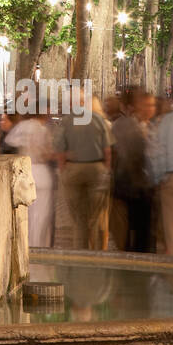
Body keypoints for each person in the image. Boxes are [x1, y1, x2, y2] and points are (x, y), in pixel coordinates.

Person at [52, 95, 113, 250]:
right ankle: (98, 254)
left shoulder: (65, 122)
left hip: (73, 171)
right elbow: (108, 150)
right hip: (97, 169)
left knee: (79, 219)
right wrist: (106, 168)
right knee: (96, 217)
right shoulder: (98, 120)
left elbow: (60, 150)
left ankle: (80, 253)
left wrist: (63, 170)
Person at [110, 88, 155, 253]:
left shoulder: (126, 125)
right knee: (137, 232)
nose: (149, 108)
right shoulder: (130, 126)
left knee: (133, 231)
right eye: (145, 105)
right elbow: (136, 156)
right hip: (134, 185)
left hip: (129, 185)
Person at [4, 111, 56, 247]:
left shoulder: (22, 126)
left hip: (26, 172)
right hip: (41, 173)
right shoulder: (43, 129)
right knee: (41, 217)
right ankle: (39, 248)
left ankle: (26, 246)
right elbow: (48, 153)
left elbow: (9, 143)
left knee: (26, 215)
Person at [149, 96, 173, 255]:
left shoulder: (166, 122)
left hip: (171, 178)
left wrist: (158, 178)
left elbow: (157, 152)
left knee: (171, 226)